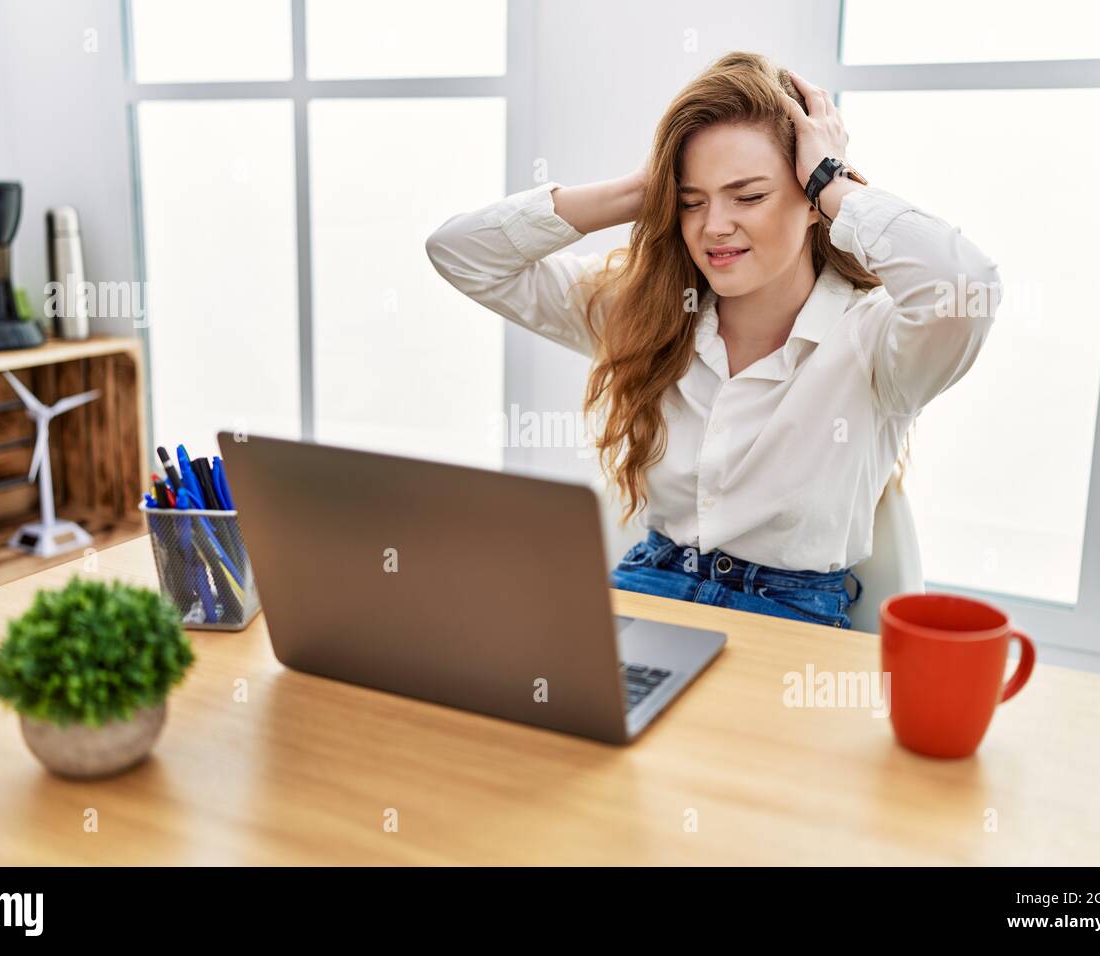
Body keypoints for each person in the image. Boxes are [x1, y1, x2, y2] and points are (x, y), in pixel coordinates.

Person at [425, 51, 1001, 630]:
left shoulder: (876, 340)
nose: (713, 225)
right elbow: (460, 253)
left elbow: (965, 286)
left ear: (811, 205)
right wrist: (643, 190)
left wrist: (833, 178)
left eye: (747, 196)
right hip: (645, 588)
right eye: (692, 200)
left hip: (788, 617)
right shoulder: (647, 312)